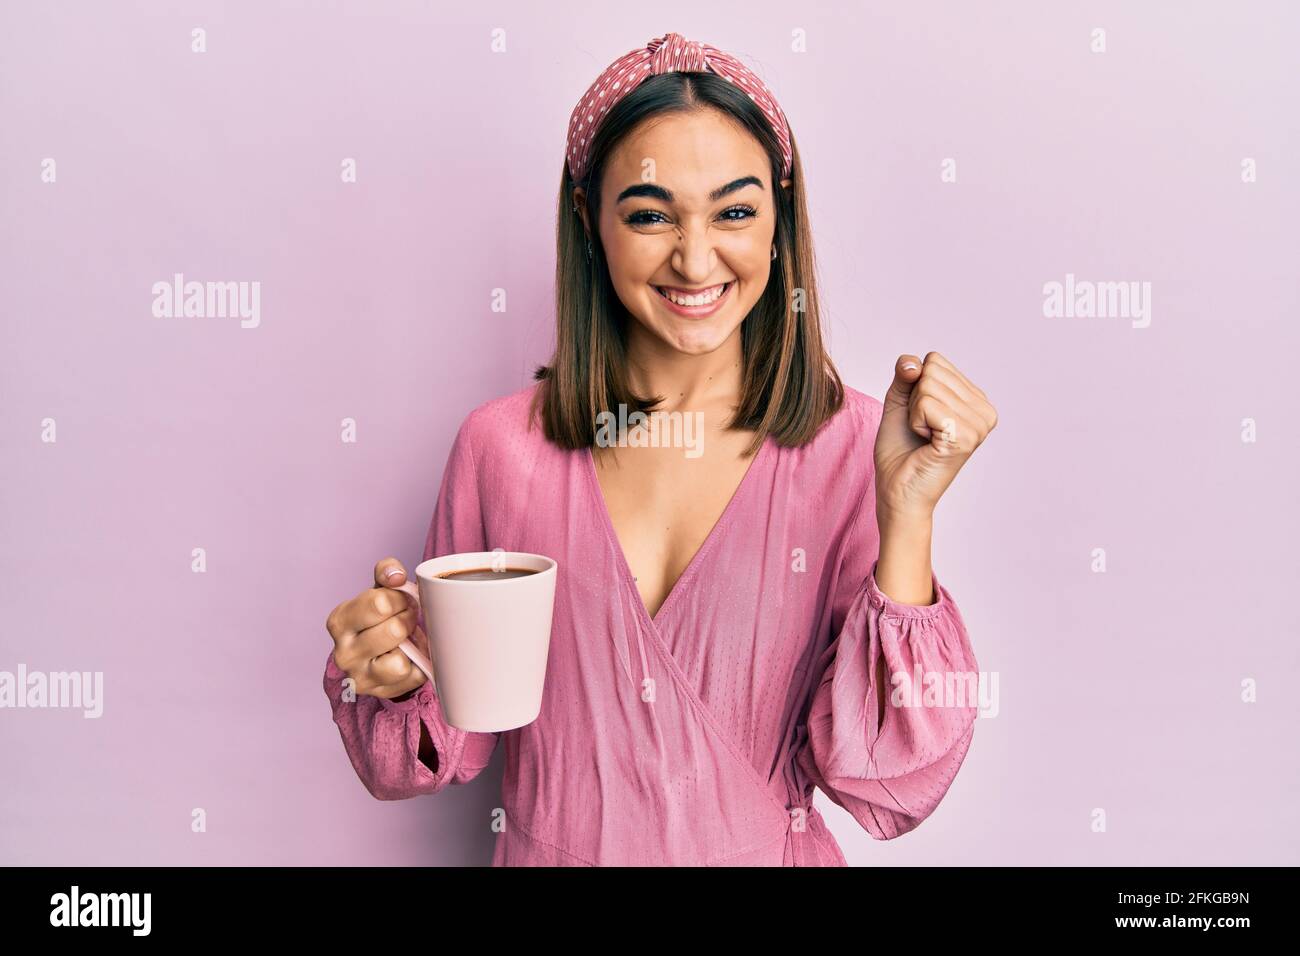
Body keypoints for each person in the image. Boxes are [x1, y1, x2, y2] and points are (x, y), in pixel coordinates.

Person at [323, 31, 997, 865]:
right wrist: (389, 673)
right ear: (587, 218)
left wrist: (909, 510)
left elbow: (883, 783)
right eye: (649, 215)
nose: (696, 256)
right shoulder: (500, 449)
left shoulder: (857, 445)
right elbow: (436, 752)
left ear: (780, 217)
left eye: (735, 211)